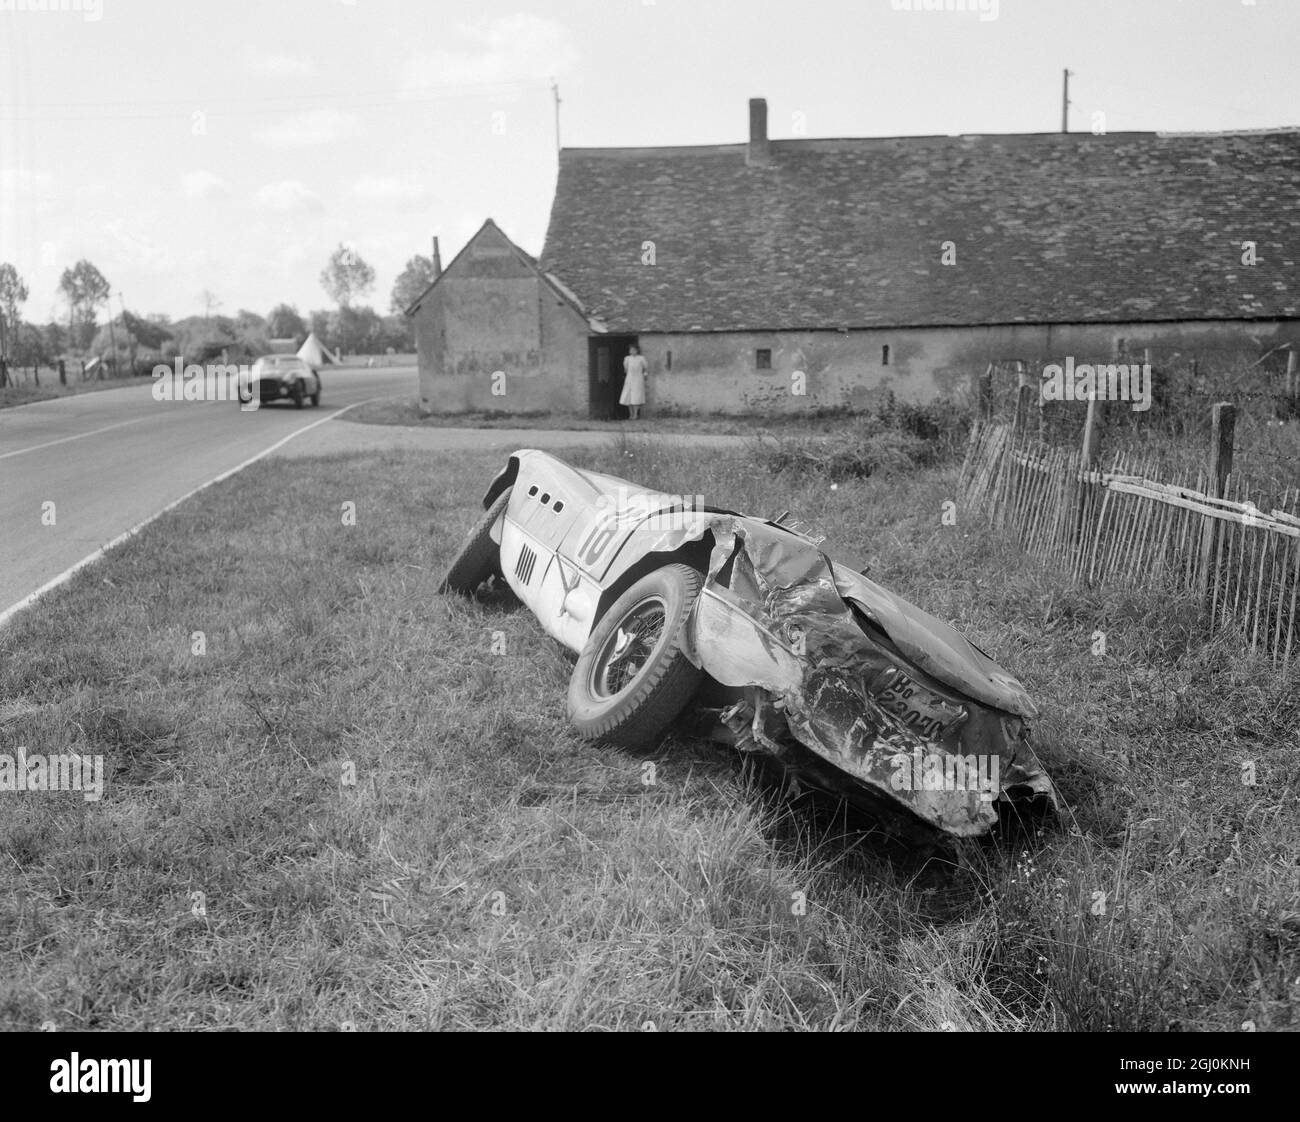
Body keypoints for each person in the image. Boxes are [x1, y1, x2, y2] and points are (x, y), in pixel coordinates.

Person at [620, 343, 648, 420]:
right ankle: (631, 414)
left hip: (638, 379)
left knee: (636, 396)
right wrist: (628, 375)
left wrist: (645, 375)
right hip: (629, 379)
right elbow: (625, 369)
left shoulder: (641, 358)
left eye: (634, 350)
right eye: (631, 350)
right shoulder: (627, 358)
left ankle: (635, 414)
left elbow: (645, 369)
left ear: (637, 350)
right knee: (628, 396)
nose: (632, 351)